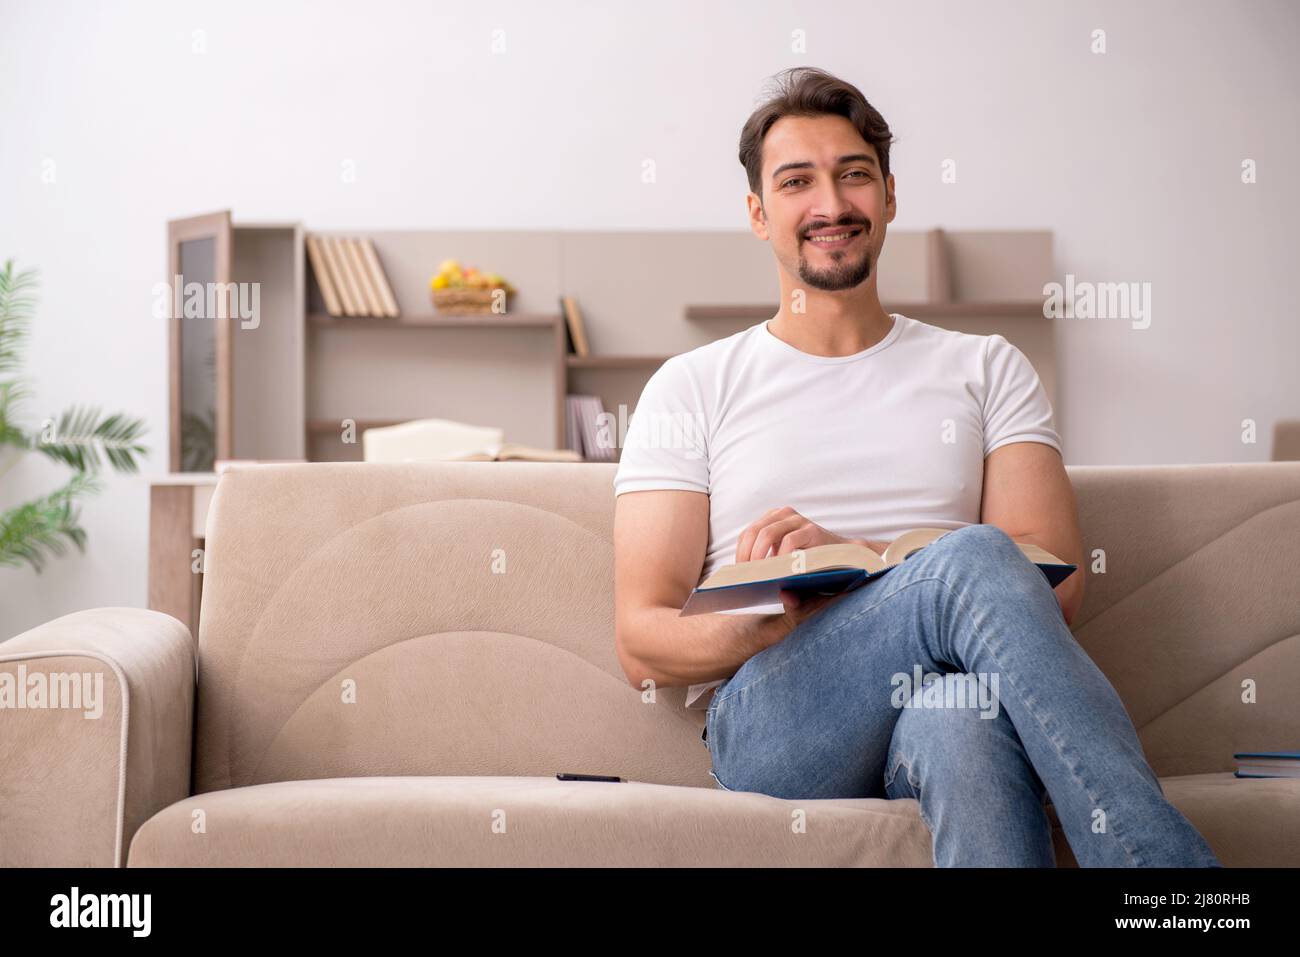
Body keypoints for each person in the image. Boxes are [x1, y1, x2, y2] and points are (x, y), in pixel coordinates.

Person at [611, 66, 1220, 868]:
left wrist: (861, 564)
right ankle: (1168, 885)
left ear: (890, 197)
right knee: (970, 557)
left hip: (950, 693)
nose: (830, 205)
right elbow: (641, 637)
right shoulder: (693, 385)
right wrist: (776, 617)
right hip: (777, 715)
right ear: (759, 213)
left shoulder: (986, 367)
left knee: (959, 719)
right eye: (797, 182)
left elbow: (1055, 583)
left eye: (853, 175)